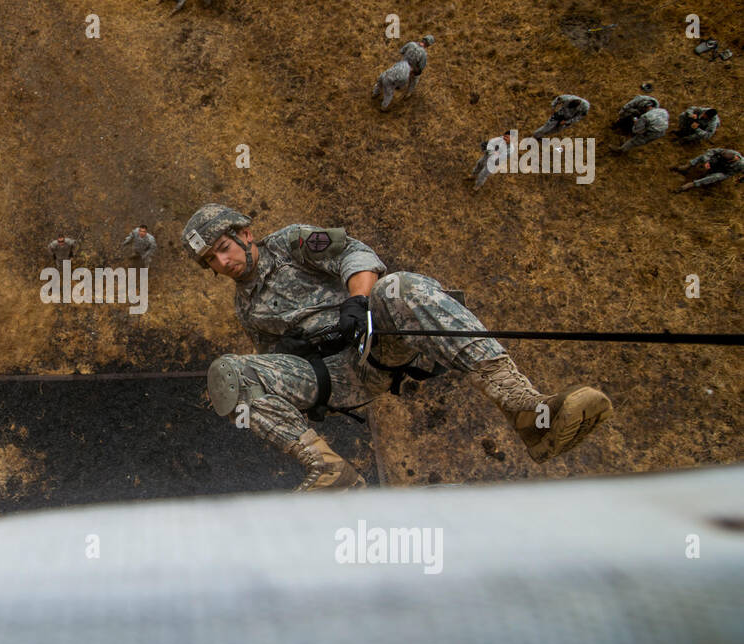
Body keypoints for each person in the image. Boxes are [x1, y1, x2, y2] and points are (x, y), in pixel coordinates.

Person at [181, 204, 613, 489]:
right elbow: (272, 364)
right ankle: (331, 471)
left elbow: (355, 253)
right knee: (230, 372)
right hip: (331, 376)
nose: (223, 263)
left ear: (245, 234)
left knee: (400, 286)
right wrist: (299, 362)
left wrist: (356, 301)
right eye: (211, 262)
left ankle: (524, 409)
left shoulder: (293, 243)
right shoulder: (246, 308)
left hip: (370, 338)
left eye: (223, 249)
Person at [672, 147, 744, 191]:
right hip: (715, 163)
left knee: (716, 177)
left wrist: (741, 180)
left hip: (724, 172)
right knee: (703, 156)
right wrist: (706, 161)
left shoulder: (741, 164)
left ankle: (692, 184)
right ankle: (686, 167)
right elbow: (711, 151)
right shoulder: (727, 152)